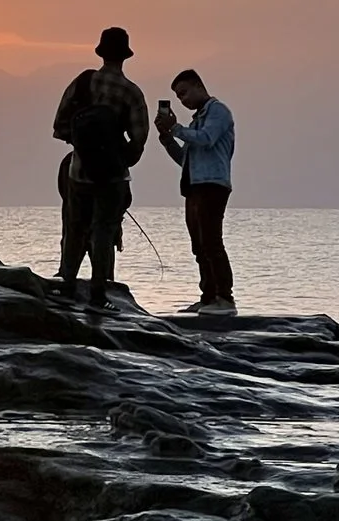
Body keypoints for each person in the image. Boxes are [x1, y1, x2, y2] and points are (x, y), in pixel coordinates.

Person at [51, 27, 149, 307]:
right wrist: (118, 159)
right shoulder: (132, 93)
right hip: (112, 177)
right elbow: (139, 139)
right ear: (125, 56)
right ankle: (99, 291)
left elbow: (59, 125)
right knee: (104, 230)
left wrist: (82, 145)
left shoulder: (83, 82)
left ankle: (67, 284)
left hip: (78, 172)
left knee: (75, 228)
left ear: (101, 53)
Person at [156, 68, 237, 314]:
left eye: (184, 93)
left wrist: (176, 128)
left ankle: (225, 299)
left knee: (212, 242)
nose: (182, 100)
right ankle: (208, 297)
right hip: (193, 187)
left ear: (198, 87)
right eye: (178, 97)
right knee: (199, 246)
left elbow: (207, 138)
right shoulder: (196, 120)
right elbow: (186, 159)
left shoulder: (218, 111)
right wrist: (168, 140)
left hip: (212, 185)